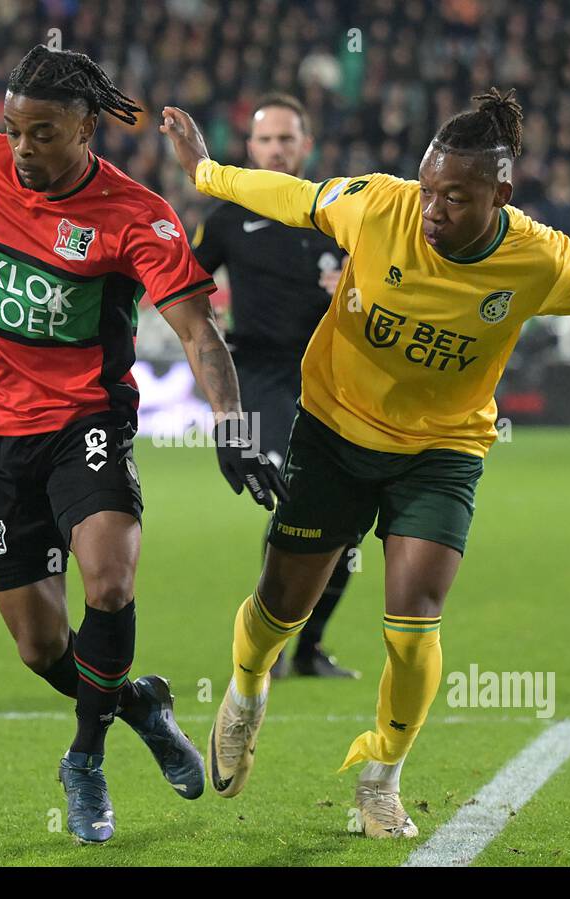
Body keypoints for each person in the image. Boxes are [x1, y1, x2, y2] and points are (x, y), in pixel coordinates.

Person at [159, 88, 570, 836]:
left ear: (500, 194)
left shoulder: (536, 257)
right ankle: (245, 691)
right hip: (334, 431)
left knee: (414, 624)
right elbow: (291, 196)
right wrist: (207, 173)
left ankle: (380, 780)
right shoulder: (381, 206)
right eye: (429, 189)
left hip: (441, 451)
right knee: (280, 608)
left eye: (455, 198)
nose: (433, 210)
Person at [0, 45, 286, 845]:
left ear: (87, 128)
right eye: (14, 131)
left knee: (109, 582)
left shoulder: (135, 215)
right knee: (40, 645)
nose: (23, 150)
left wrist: (234, 424)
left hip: (86, 421)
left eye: (43, 134)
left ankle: (85, 759)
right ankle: (138, 704)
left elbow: (198, 332)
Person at [191, 92, 359, 680]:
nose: (276, 149)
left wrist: (353, 289)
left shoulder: (335, 212)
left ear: (306, 146)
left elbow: (376, 294)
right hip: (259, 376)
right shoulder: (228, 219)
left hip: (332, 381)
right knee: (301, 499)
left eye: (287, 139)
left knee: (347, 522)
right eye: (265, 139)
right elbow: (185, 286)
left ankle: (307, 648)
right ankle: (274, 641)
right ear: (250, 147)